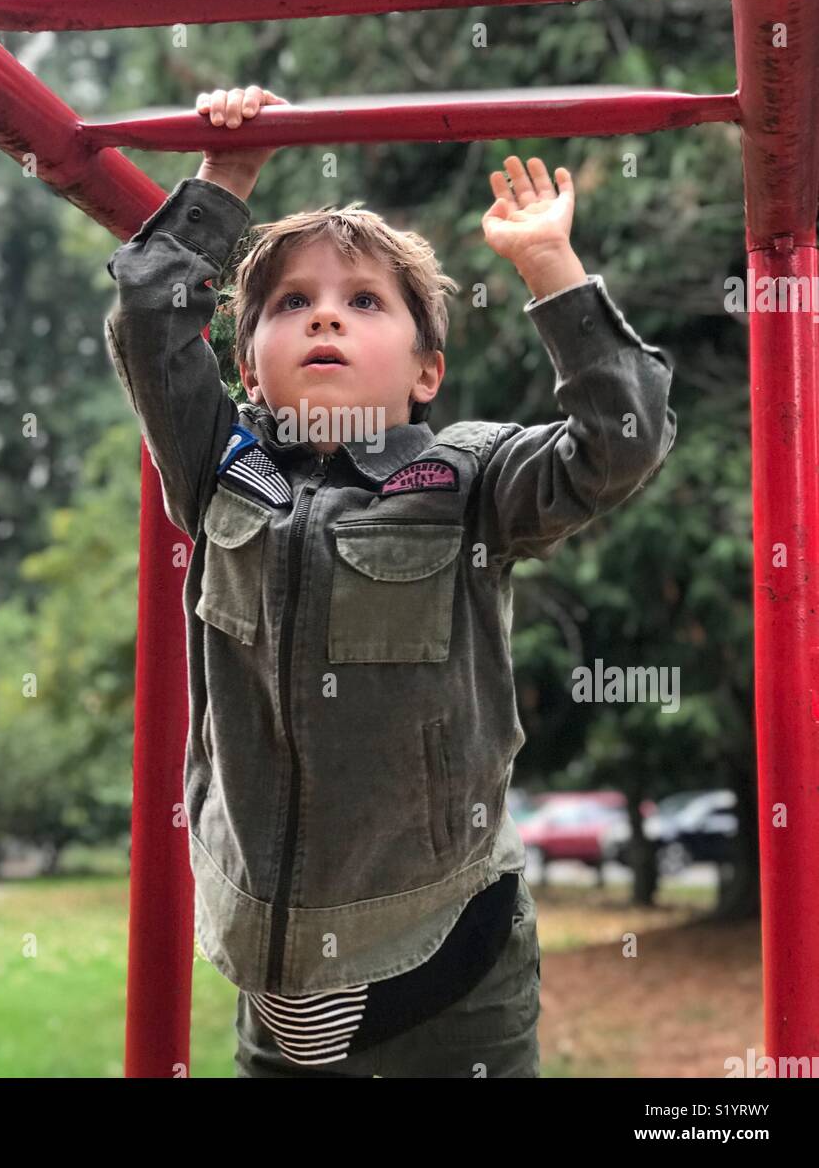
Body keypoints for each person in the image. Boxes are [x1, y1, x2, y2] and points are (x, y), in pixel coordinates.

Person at [104, 84, 677, 1078]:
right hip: (271, 961)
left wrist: (549, 265)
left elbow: (619, 443)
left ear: (425, 370)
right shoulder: (220, 468)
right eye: (292, 304)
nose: (325, 317)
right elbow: (150, 314)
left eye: (363, 301)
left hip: (448, 946)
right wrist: (227, 175)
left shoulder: (467, 478)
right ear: (248, 361)